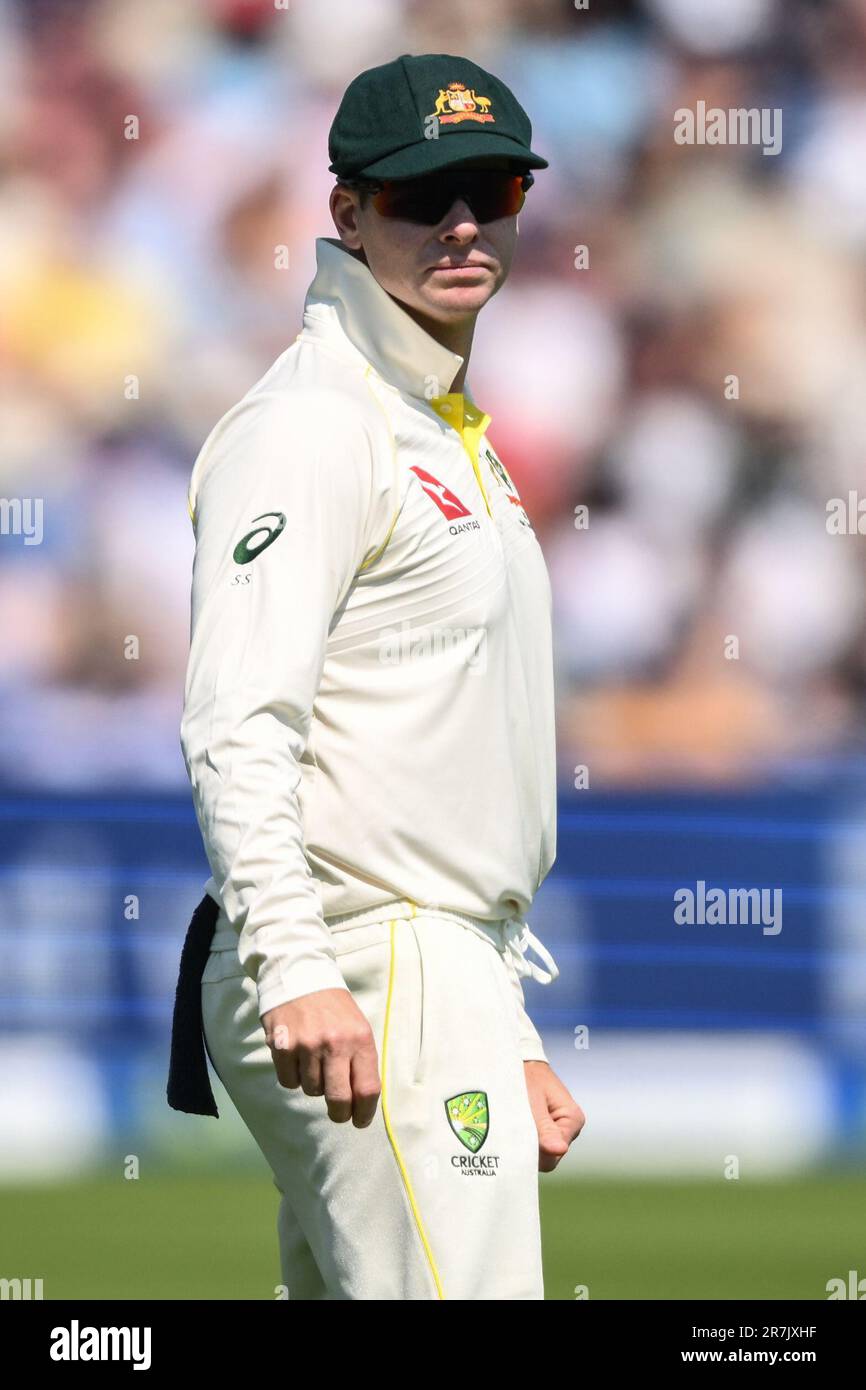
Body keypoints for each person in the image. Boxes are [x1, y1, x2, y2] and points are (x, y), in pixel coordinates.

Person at [168, 52, 585, 1301]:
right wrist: (295, 964)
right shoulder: (315, 425)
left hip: (426, 974)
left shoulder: (440, 426)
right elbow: (238, 721)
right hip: (362, 965)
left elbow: (441, 769)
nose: (462, 223)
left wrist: (495, 1022)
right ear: (346, 212)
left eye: (490, 187)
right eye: (419, 196)